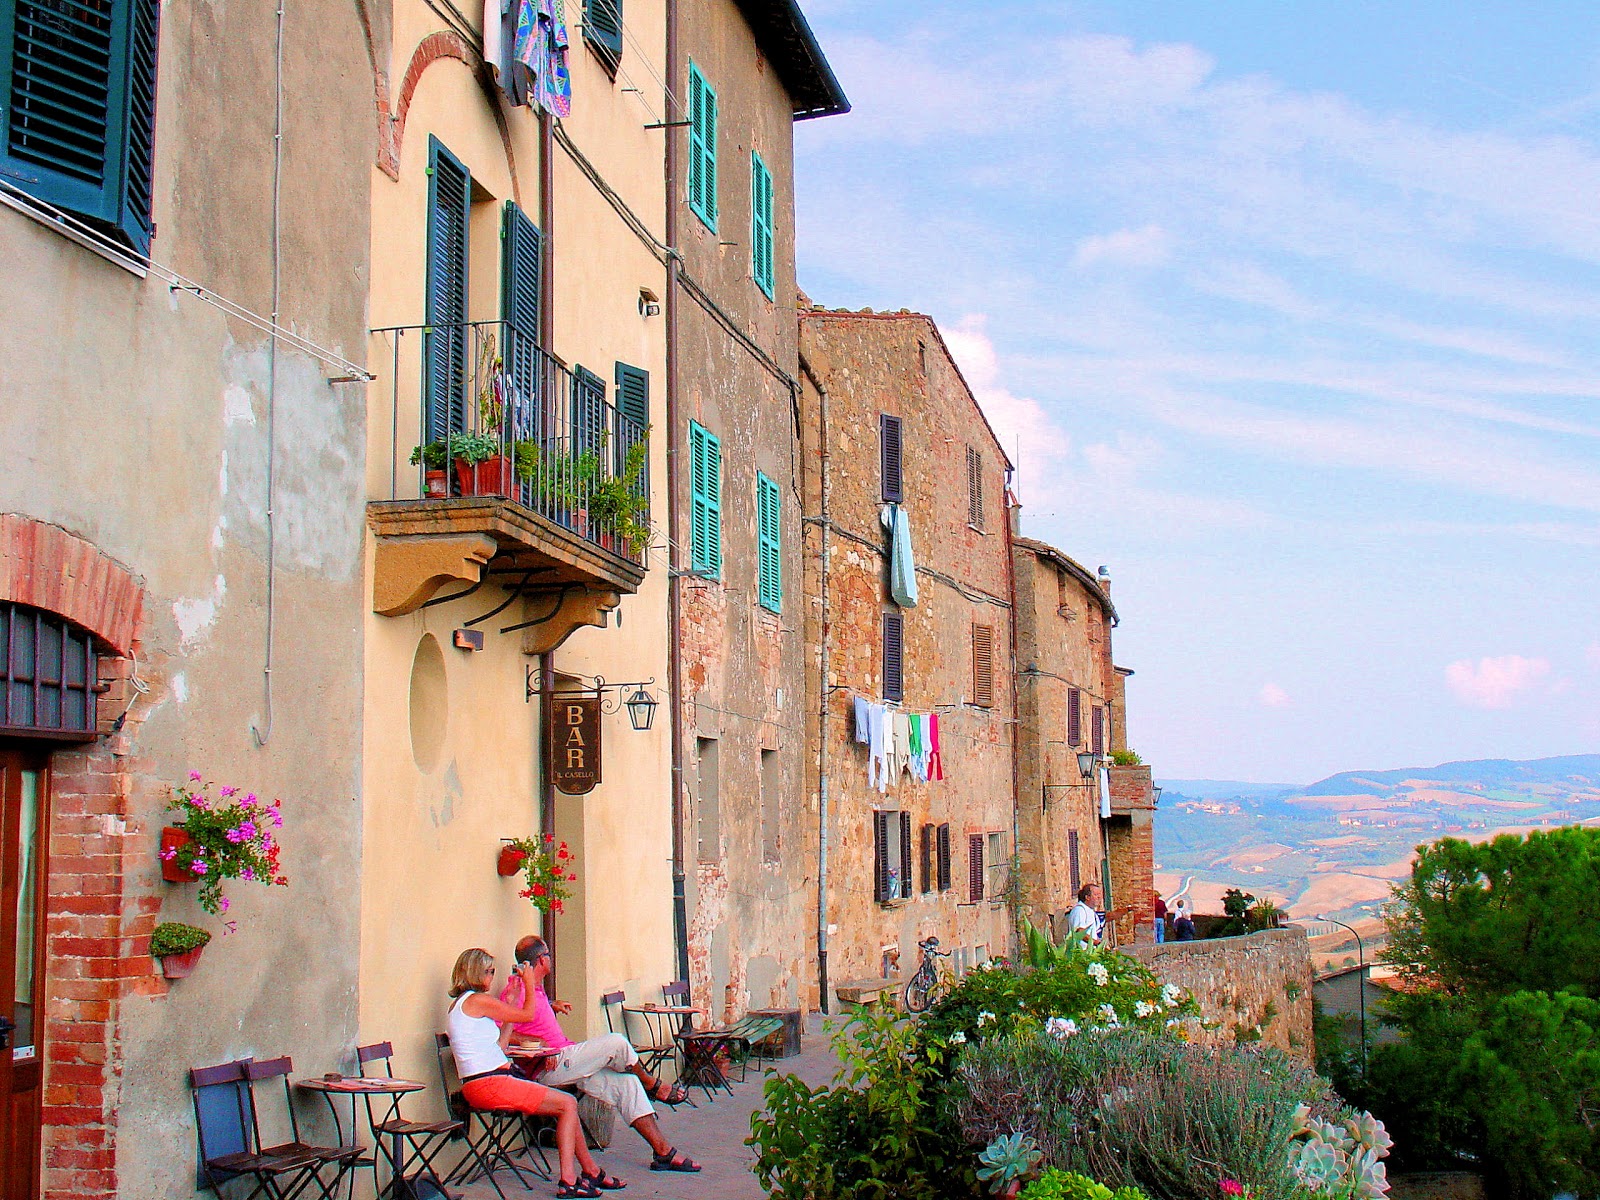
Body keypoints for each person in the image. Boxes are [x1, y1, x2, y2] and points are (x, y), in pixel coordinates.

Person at [499, 935, 701, 1174]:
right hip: (550, 1066)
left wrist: (551, 1005)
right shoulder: (517, 989)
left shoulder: (535, 988)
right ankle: (654, 1085)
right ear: (542, 960)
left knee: (627, 1084)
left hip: (567, 1062)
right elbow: (498, 1030)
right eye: (549, 955)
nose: (551, 960)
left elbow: (529, 1015)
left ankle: (664, 1152)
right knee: (617, 1043)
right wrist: (535, 1044)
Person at [447, 947, 617, 1198]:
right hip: (490, 1084)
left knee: (565, 1106)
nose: (492, 977)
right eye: (490, 971)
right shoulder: (476, 1000)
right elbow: (529, 1014)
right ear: (477, 972)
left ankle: (590, 1171)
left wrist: (512, 1002)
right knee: (568, 1104)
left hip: (490, 1081)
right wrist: (528, 983)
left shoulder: (466, 1004)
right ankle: (568, 1181)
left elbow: (501, 1047)